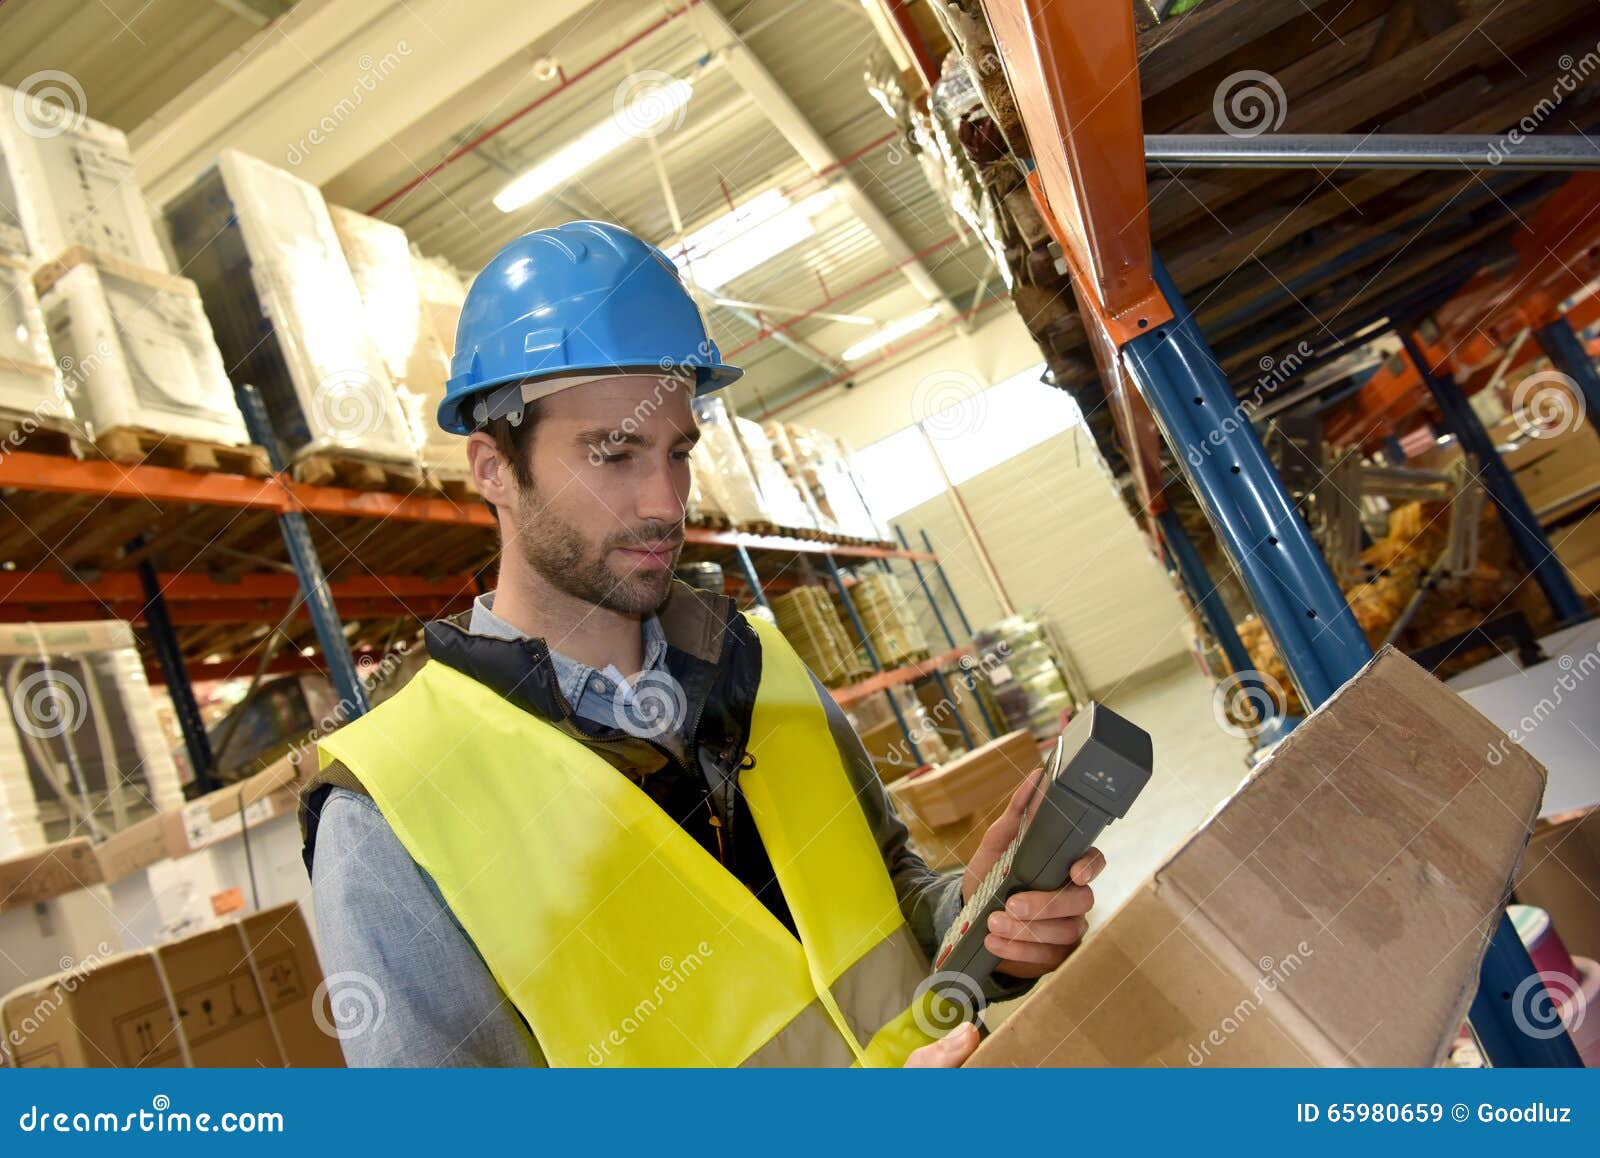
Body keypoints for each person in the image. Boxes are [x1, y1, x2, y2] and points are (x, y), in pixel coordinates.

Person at [299, 220, 1105, 1067]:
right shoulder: (391, 807)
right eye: (614, 455)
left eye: (678, 451)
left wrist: (978, 924)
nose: (664, 502)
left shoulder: (761, 664)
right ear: (494, 468)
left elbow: (890, 898)